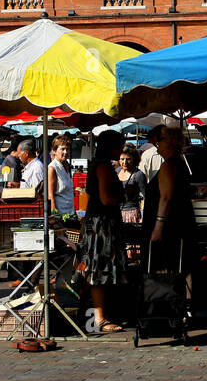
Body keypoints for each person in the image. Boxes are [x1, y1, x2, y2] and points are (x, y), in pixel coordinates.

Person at [80, 129, 129, 334]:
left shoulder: (99, 165)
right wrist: (126, 196)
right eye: (119, 146)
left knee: (96, 269)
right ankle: (99, 318)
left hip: (98, 223)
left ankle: (96, 314)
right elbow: (106, 198)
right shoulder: (103, 167)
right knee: (99, 270)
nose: (121, 151)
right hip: (102, 227)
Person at [144, 127, 196, 306]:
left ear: (171, 141)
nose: (157, 145)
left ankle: (167, 307)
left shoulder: (169, 165)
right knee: (182, 267)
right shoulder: (178, 164)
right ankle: (182, 308)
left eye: (161, 140)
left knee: (170, 268)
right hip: (180, 224)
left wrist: (158, 228)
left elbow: (166, 198)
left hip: (170, 228)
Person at [46, 134, 75, 215]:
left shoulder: (67, 165)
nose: (65, 152)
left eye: (67, 149)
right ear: (55, 150)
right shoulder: (52, 168)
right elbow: (50, 195)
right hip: (60, 213)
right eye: (62, 149)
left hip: (70, 212)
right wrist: (54, 215)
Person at [117, 145, 146, 225]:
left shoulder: (138, 175)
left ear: (134, 159)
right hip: (116, 213)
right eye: (122, 159)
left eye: (128, 159)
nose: (125, 162)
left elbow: (147, 196)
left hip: (131, 214)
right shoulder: (117, 171)